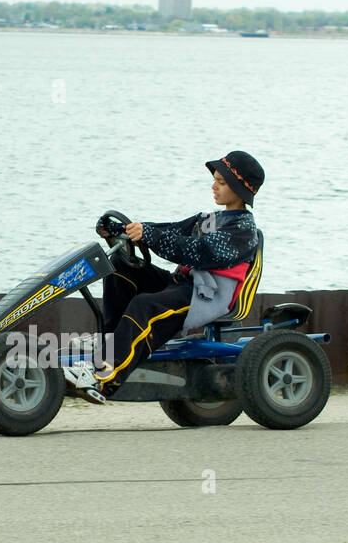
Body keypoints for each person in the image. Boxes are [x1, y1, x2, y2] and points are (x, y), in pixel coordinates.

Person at [64, 151, 265, 405]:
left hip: (204, 298)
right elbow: (172, 229)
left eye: (222, 183)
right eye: (214, 179)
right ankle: (111, 339)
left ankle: (101, 376)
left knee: (144, 305)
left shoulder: (243, 231)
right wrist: (123, 230)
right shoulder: (215, 219)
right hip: (185, 284)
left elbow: (197, 251)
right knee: (119, 267)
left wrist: (149, 235)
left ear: (239, 189)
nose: (214, 186)